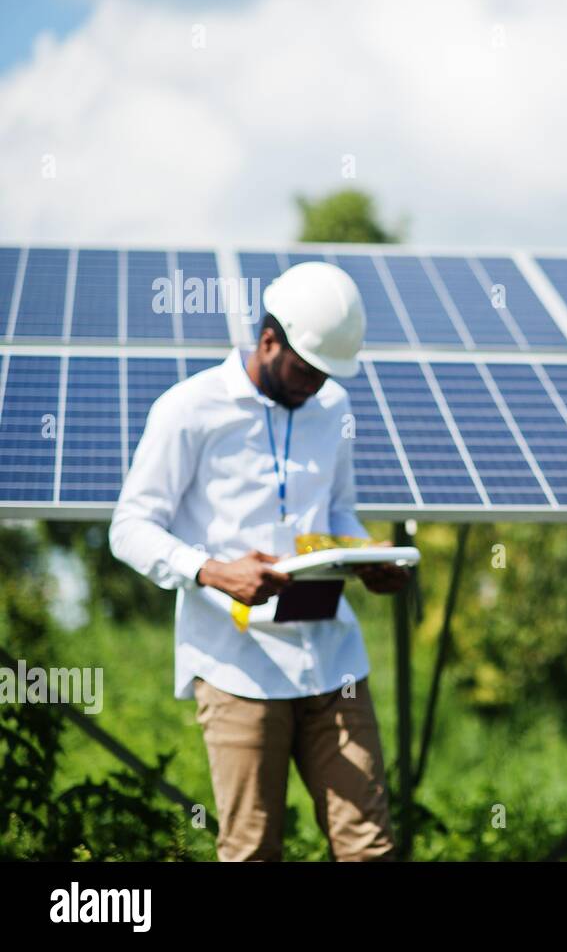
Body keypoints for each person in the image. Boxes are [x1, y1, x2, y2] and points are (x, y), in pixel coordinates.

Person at [109, 261, 409, 862]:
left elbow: (338, 512)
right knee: (251, 850)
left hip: (333, 662)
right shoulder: (187, 409)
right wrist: (212, 571)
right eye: (306, 369)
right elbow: (129, 528)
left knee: (370, 847)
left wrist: (366, 556)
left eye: (327, 374)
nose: (316, 385)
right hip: (235, 666)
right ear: (269, 340)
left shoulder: (333, 406)